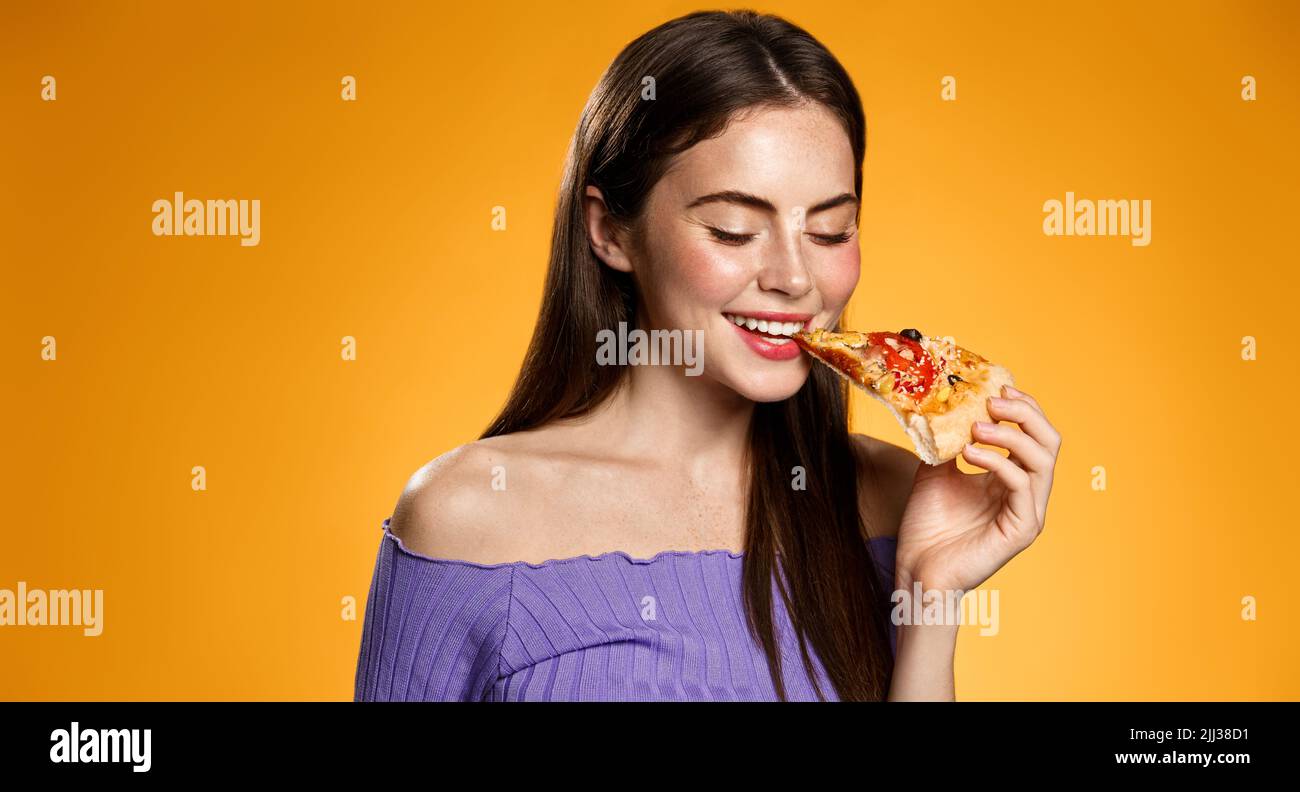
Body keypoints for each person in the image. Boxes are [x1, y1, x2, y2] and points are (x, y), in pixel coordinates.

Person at [354, 9, 1060, 702]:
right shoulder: (469, 515)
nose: (793, 278)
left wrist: (929, 597)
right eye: (732, 231)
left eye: (831, 229)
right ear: (610, 232)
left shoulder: (893, 497)